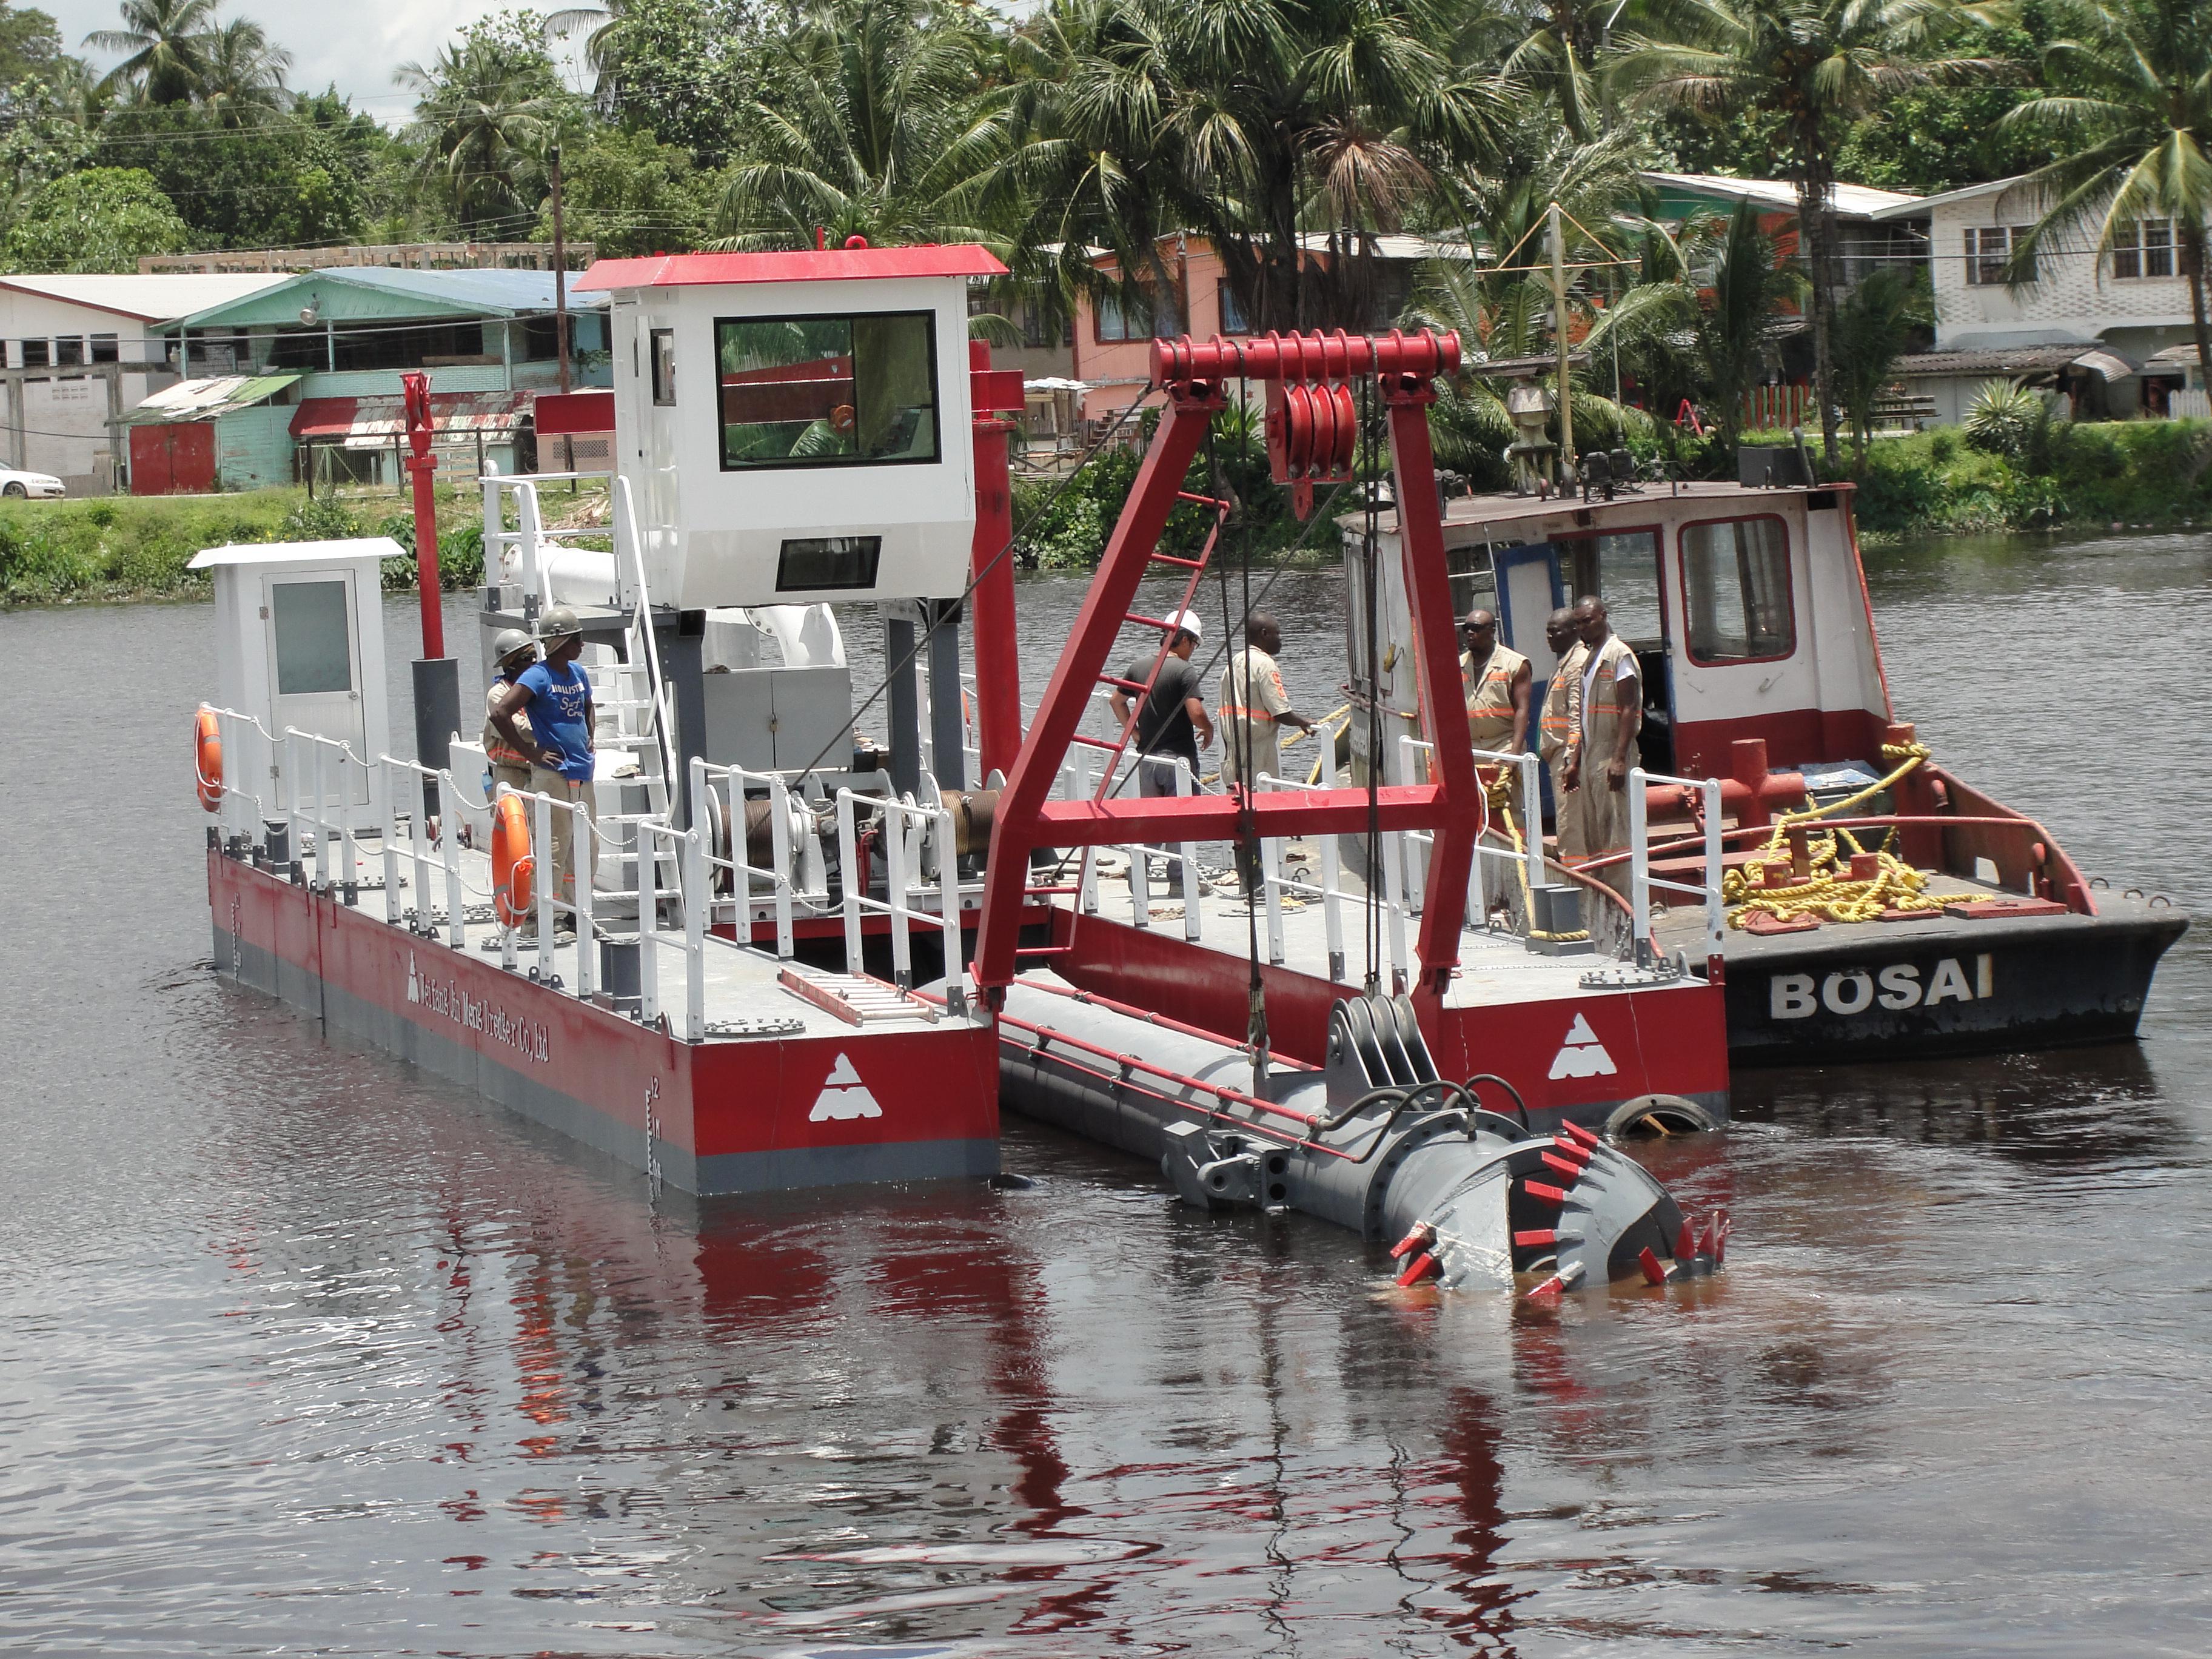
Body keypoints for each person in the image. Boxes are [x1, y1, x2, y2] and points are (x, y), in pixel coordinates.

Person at [489, 606, 595, 934]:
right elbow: (500, 713)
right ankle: (546, 918)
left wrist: (590, 737)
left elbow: (588, 706)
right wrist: (531, 753)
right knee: (554, 848)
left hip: (582, 772)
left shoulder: (578, 674)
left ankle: (578, 911)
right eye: (576, 638)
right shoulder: (538, 676)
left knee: (587, 846)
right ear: (559, 641)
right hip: (553, 773)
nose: (582, 644)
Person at [1107, 609, 1213, 882]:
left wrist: (1134, 732)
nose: (1194, 650)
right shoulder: (1184, 670)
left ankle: (1140, 870)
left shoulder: (1139, 666)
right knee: (1181, 819)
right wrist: (1209, 729)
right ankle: (1179, 879)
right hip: (1179, 760)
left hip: (1147, 759)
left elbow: (1116, 701)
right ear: (1185, 640)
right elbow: (1196, 712)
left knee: (1152, 819)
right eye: (1195, 644)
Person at [1217, 611, 1315, 894]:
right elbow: (1280, 710)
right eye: (1277, 634)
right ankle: (1263, 884)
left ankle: (1247, 882)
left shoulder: (1233, 663)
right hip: (1258, 749)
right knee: (1262, 814)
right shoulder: (1264, 664)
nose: (1280, 640)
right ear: (1263, 635)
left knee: (1240, 816)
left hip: (1233, 748)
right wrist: (1304, 722)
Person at [1561, 595, 1641, 937]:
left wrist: (1620, 758)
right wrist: (1575, 760)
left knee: (1617, 834)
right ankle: (1605, 909)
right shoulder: (1589, 658)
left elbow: (1629, 707)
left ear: (1604, 617)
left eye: (1588, 621)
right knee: (1595, 834)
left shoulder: (1618, 655)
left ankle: (1626, 912)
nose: (1583, 628)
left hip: (1612, 752)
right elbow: (1584, 717)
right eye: (1578, 623)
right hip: (1592, 755)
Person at [1537, 608, 1587, 870]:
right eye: (1548, 631)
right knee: (1568, 821)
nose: (1549, 636)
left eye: (1555, 631)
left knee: (1571, 825)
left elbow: (1577, 716)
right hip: (1559, 755)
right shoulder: (1565, 663)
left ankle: (1576, 876)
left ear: (1574, 631)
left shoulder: (1576, 665)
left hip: (1567, 756)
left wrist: (1572, 761)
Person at [481, 629, 539, 800]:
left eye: (535, 657)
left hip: (537, 770)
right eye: (527, 658)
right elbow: (519, 728)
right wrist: (552, 729)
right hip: (511, 774)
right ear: (510, 664)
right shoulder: (498, 694)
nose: (534, 662)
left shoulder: (536, 690)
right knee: (512, 816)